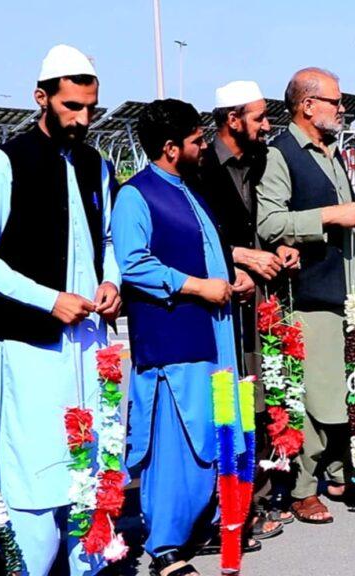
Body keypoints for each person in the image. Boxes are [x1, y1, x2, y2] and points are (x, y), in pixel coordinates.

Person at [0, 44, 121, 576]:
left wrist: (112, 281)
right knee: (33, 479)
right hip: (31, 350)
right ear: (41, 98)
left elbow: (111, 240)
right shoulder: (4, 163)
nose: (83, 118)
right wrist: (48, 299)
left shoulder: (98, 164)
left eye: (91, 108)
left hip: (90, 346)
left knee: (92, 473)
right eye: (72, 106)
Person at [112, 99, 251, 576]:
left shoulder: (187, 190)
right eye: (195, 141)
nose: (202, 148)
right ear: (171, 148)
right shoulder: (137, 195)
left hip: (211, 337)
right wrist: (198, 286)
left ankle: (201, 525)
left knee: (213, 436)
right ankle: (165, 545)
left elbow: (206, 254)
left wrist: (231, 278)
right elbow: (133, 263)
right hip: (173, 343)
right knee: (176, 443)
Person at [257, 67, 355, 519]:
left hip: (347, 292)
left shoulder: (332, 152)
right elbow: (270, 223)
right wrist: (331, 216)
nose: (342, 110)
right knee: (314, 398)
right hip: (310, 293)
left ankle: (338, 476)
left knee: (346, 391)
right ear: (307, 105)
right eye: (335, 102)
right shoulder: (282, 155)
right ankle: (301, 488)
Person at [194, 80, 299, 538]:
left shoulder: (262, 160)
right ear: (232, 120)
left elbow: (271, 220)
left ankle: (256, 496)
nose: (266, 124)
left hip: (263, 300)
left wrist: (283, 246)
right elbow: (194, 234)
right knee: (228, 399)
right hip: (220, 303)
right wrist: (240, 255)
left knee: (258, 395)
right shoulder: (199, 167)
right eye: (257, 117)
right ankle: (227, 505)